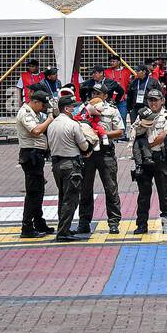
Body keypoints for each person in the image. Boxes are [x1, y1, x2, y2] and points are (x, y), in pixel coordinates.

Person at [46, 94, 96, 241]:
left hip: (56, 165)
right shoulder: (73, 124)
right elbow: (84, 145)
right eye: (73, 107)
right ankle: (63, 232)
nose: (75, 109)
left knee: (63, 197)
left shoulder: (52, 124)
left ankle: (64, 228)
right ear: (67, 109)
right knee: (71, 199)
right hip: (71, 165)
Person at [78, 91, 125, 234]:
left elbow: (120, 131)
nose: (94, 95)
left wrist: (101, 134)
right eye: (92, 93)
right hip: (88, 152)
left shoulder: (111, 110)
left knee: (111, 189)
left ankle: (114, 222)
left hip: (106, 152)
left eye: (98, 93)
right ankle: (84, 222)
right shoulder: (83, 109)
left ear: (105, 95)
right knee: (85, 189)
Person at [132, 90, 167, 235]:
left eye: (156, 100)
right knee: (143, 195)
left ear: (162, 100)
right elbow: (134, 133)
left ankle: (166, 225)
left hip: (160, 158)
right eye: (150, 100)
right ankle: (142, 225)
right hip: (144, 160)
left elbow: (163, 136)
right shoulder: (142, 115)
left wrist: (144, 146)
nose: (153, 102)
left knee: (165, 194)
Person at [13, 90, 55, 238]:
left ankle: (39, 222)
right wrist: (49, 120)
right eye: (43, 105)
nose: (44, 108)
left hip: (37, 156)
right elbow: (36, 130)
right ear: (35, 101)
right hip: (30, 156)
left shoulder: (35, 113)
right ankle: (27, 228)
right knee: (33, 193)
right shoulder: (25, 113)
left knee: (39, 191)